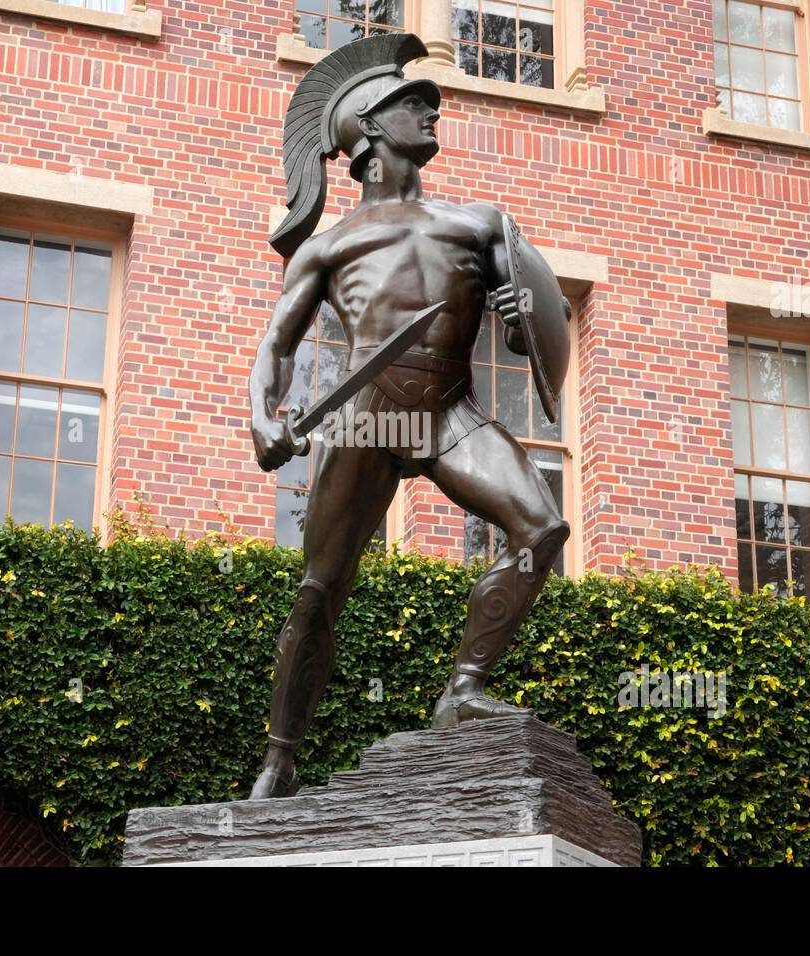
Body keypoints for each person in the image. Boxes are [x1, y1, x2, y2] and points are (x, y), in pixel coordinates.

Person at [247, 33, 569, 799]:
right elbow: (277, 343)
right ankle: (279, 759)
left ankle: (463, 688)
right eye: (411, 105)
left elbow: (532, 325)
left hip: (449, 410)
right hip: (364, 420)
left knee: (541, 526)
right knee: (320, 590)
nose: (430, 113)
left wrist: (522, 320)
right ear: (367, 131)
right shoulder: (326, 249)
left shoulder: (481, 224)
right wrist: (267, 416)